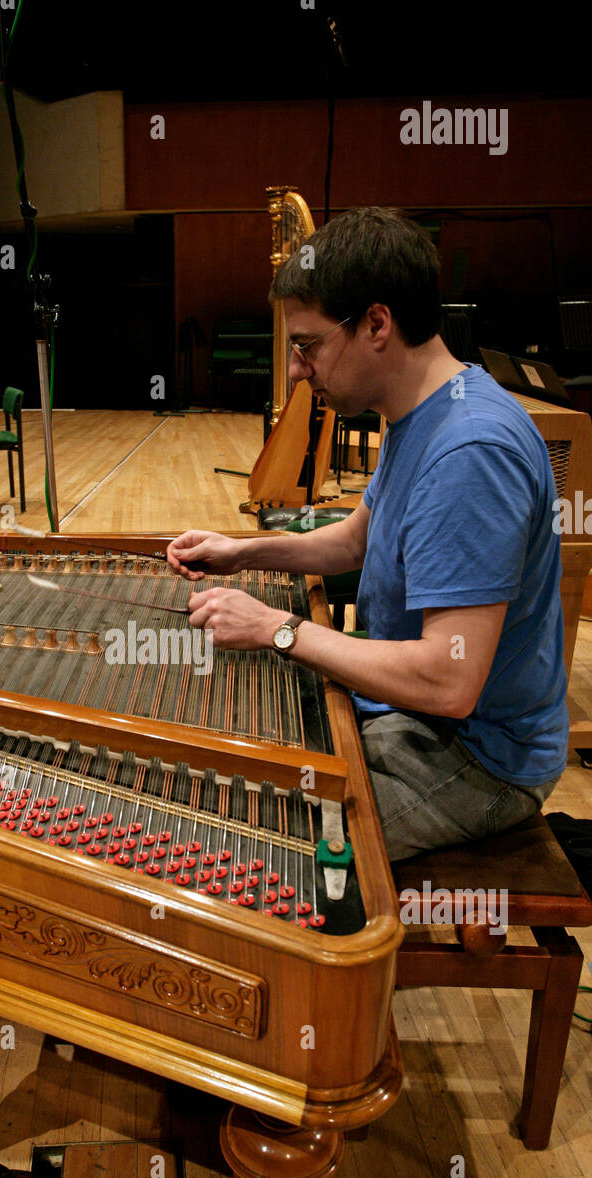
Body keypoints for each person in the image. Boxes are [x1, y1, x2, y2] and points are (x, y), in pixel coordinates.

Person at [168, 206, 567, 862]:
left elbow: (449, 680)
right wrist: (242, 552)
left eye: (308, 344)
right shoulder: (424, 412)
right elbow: (356, 540)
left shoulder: (469, 452)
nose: (298, 369)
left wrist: (279, 628)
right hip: (430, 722)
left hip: (476, 759)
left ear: (377, 324)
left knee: (252, 841)